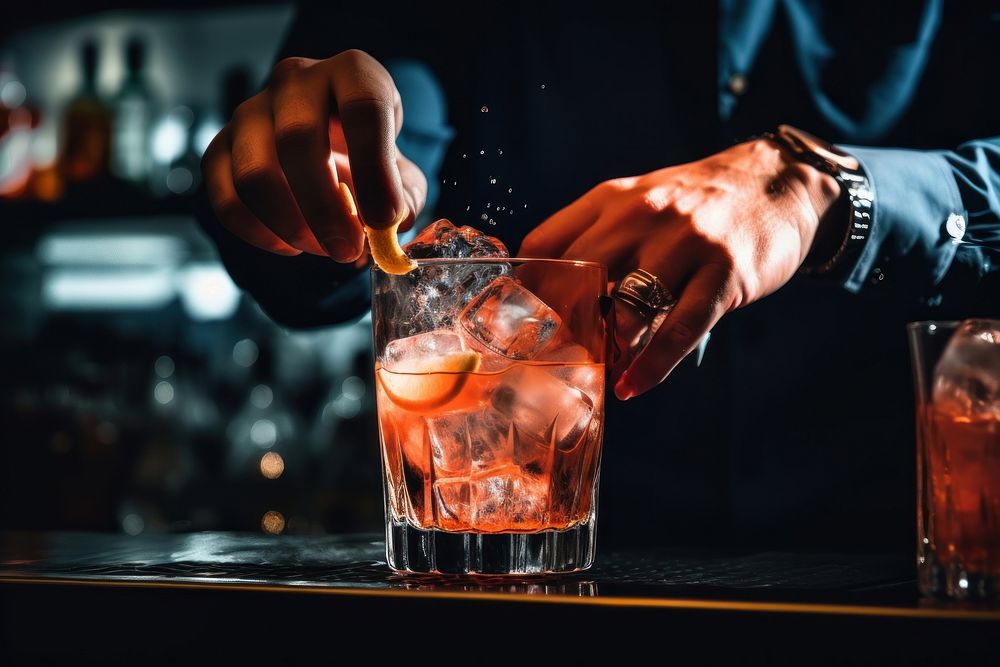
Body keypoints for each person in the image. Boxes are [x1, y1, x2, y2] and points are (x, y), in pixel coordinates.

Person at [198, 1, 999, 550]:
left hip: (914, 570)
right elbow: (380, 141)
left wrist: (837, 195)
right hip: (534, 595)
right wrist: (306, 174)